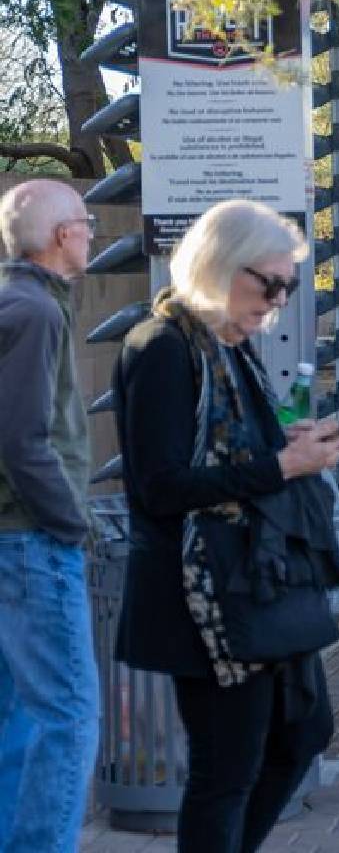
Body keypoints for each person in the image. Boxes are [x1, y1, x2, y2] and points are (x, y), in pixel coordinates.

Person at [115, 200, 339, 853]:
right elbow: (160, 487)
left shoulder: (229, 344)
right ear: (219, 266)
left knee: (302, 733)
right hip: (205, 595)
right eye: (269, 283)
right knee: (227, 769)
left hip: (258, 583)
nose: (278, 300)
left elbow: (236, 453)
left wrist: (291, 444)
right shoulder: (162, 347)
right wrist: (280, 465)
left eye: (289, 285)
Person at [0, 180, 97, 853]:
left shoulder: (20, 304)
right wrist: (71, 521)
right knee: (68, 715)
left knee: (16, 718)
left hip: (16, 538)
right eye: (86, 223)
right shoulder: (36, 312)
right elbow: (23, 440)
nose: (91, 233)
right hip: (33, 541)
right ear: (63, 236)